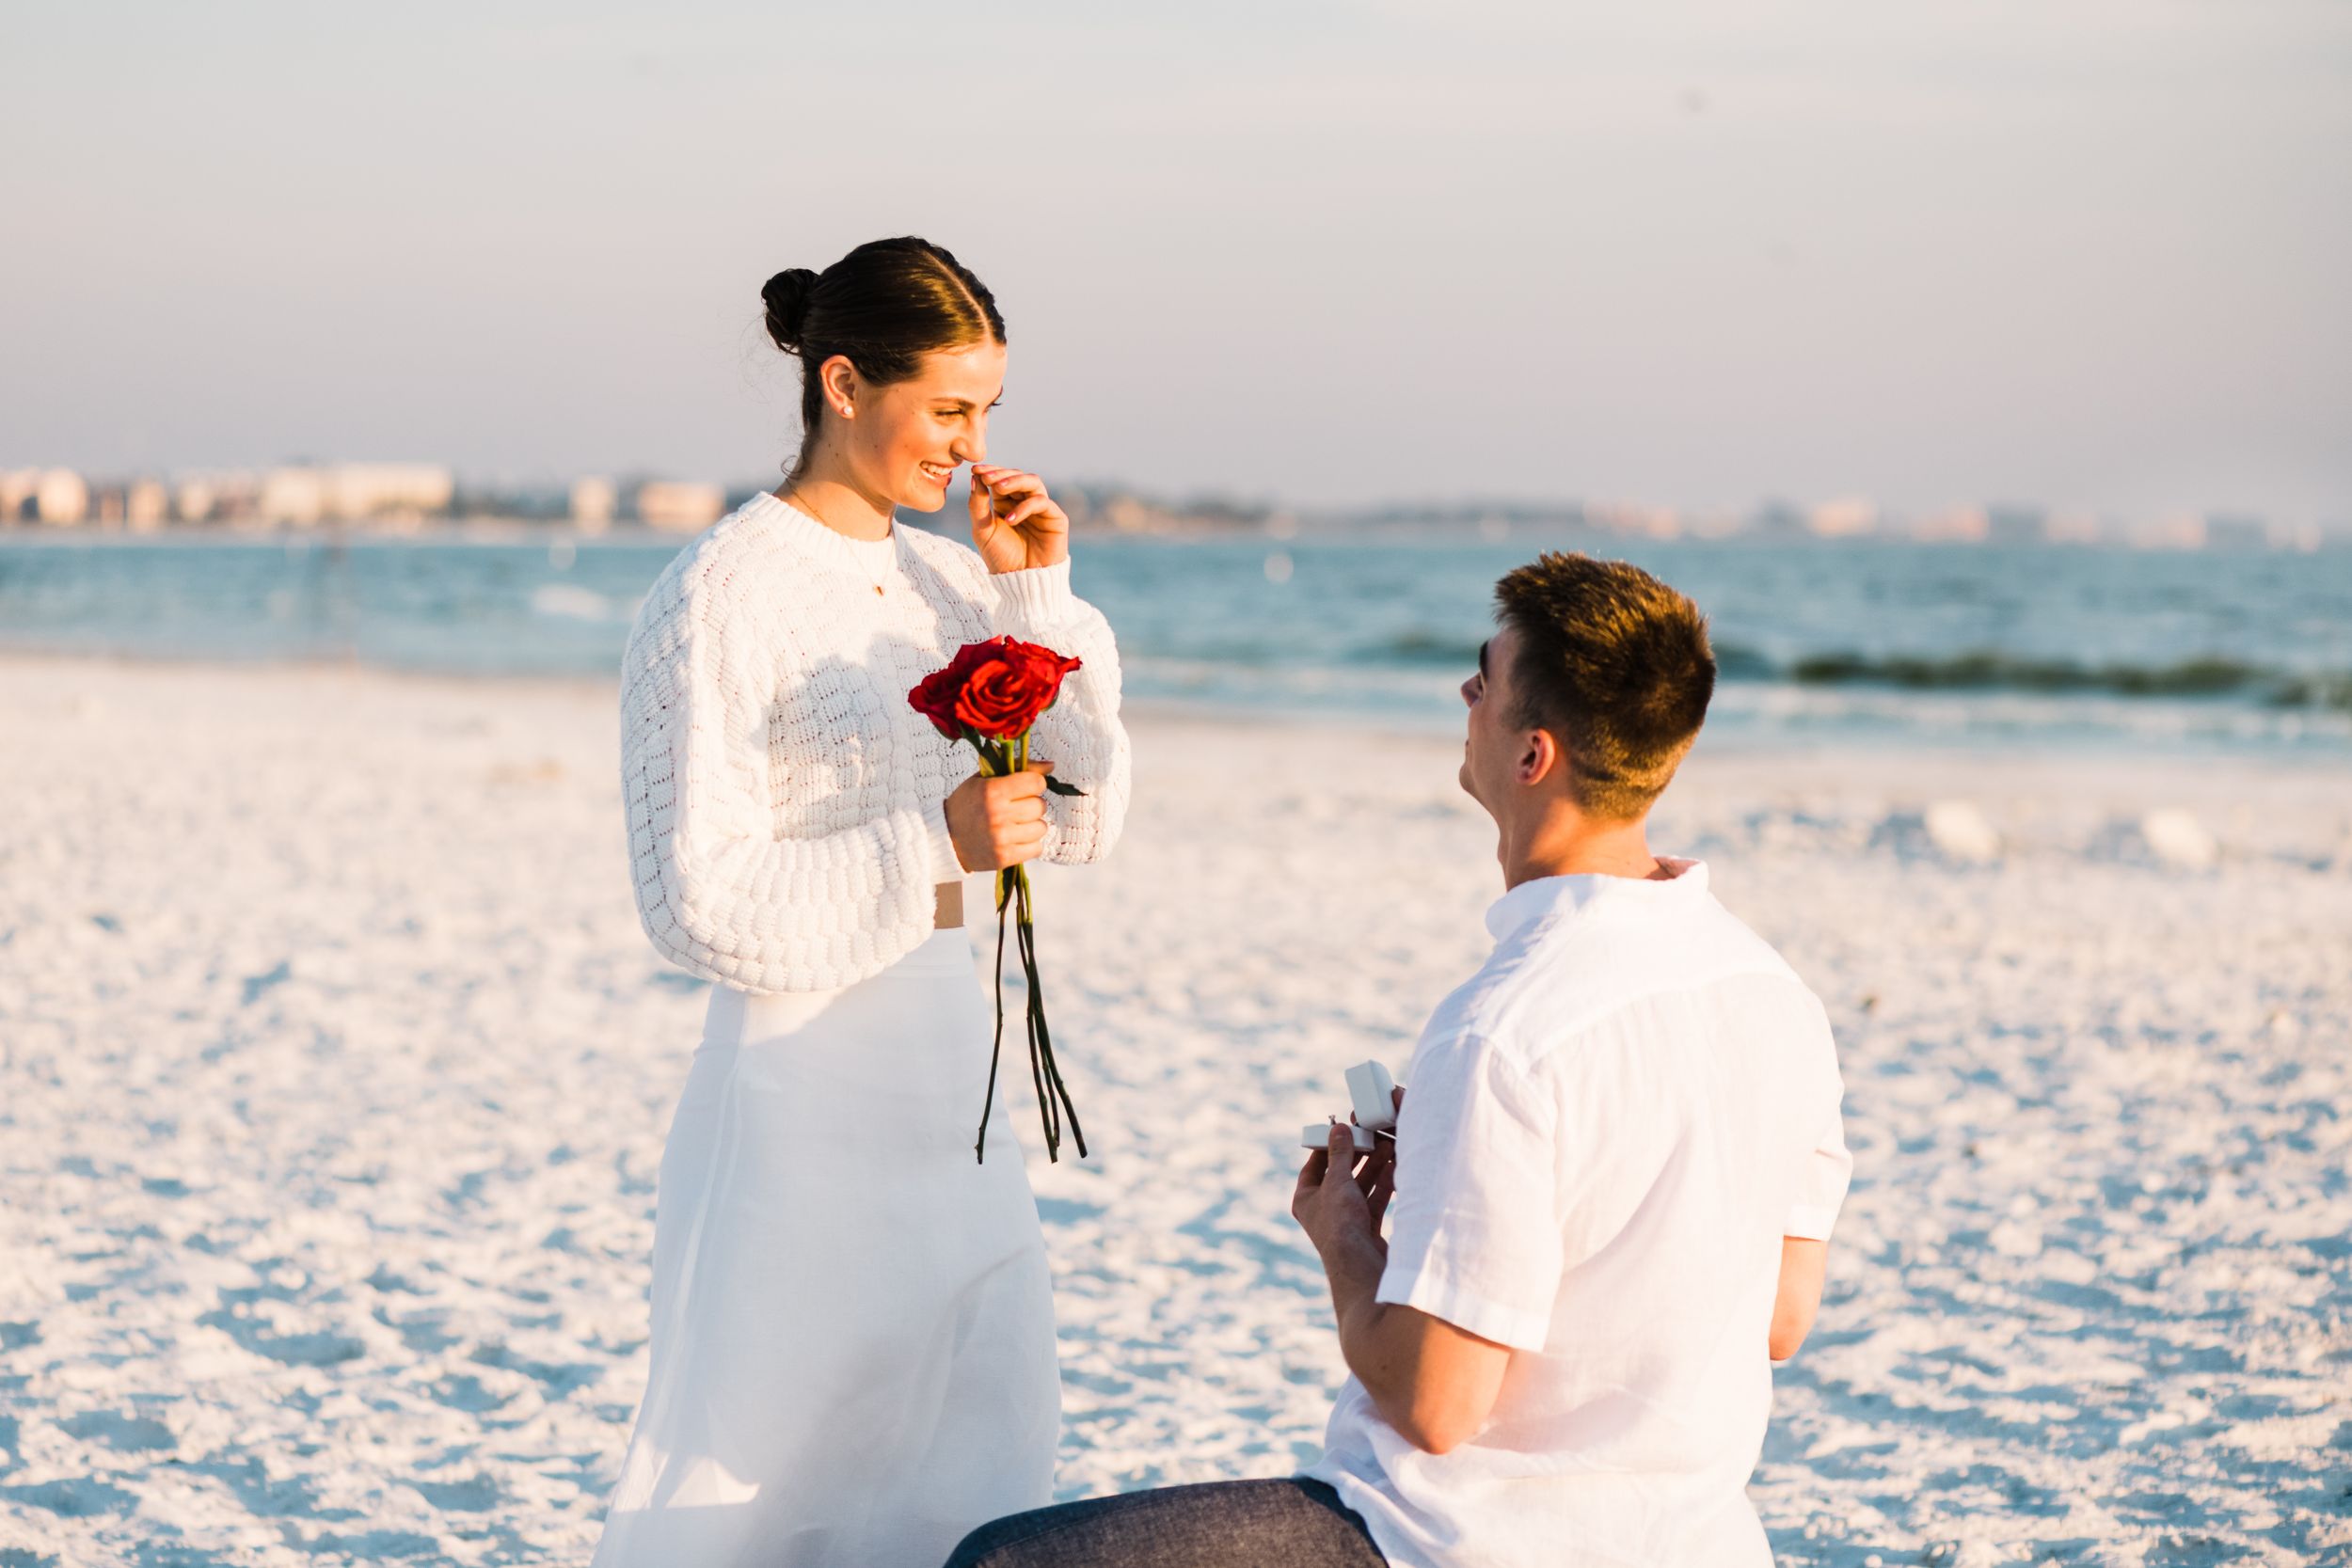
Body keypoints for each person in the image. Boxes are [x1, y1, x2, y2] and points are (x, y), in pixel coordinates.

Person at [944, 553, 1850, 1567]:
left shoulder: (1501, 1032)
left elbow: (1435, 1403)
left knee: (999, 1559)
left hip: (1460, 1542)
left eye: (1484, 679)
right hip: (1698, 1540)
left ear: (1533, 754)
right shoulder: (1775, 992)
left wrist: (1345, 1238)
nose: (1465, 694)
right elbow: (1780, 1318)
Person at [593, 236, 1132, 1568]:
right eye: (947, 408)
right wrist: (934, 840)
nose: (972, 445)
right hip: (801, 1083)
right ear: (843, 382)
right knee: (764, 1475)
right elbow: (692, 901)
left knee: (978, 1445)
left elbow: (1080, 819)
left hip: (961, 1067)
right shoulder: (717, 593)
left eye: (986, 410)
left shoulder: (956, 583)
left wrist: (1034, 591)